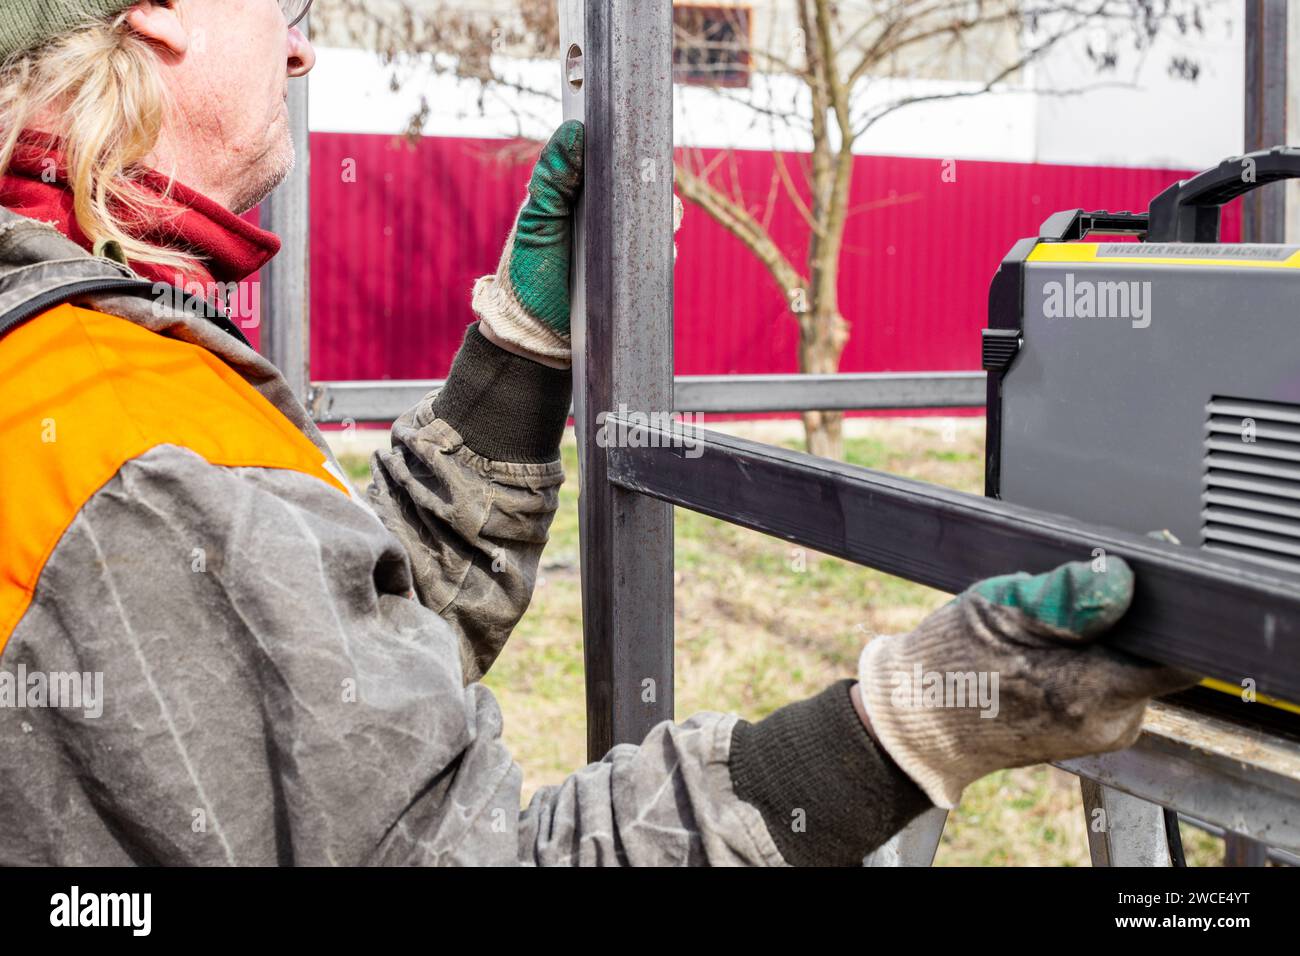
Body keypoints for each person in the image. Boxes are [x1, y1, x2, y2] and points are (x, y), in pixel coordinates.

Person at [0, 0, 1192, 866]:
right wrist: (904, 726)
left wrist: (517, 352)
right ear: (156, 16)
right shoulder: (113, 438)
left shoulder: (61, 374)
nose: (302, 45)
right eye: (288, 6)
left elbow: (317, 684)